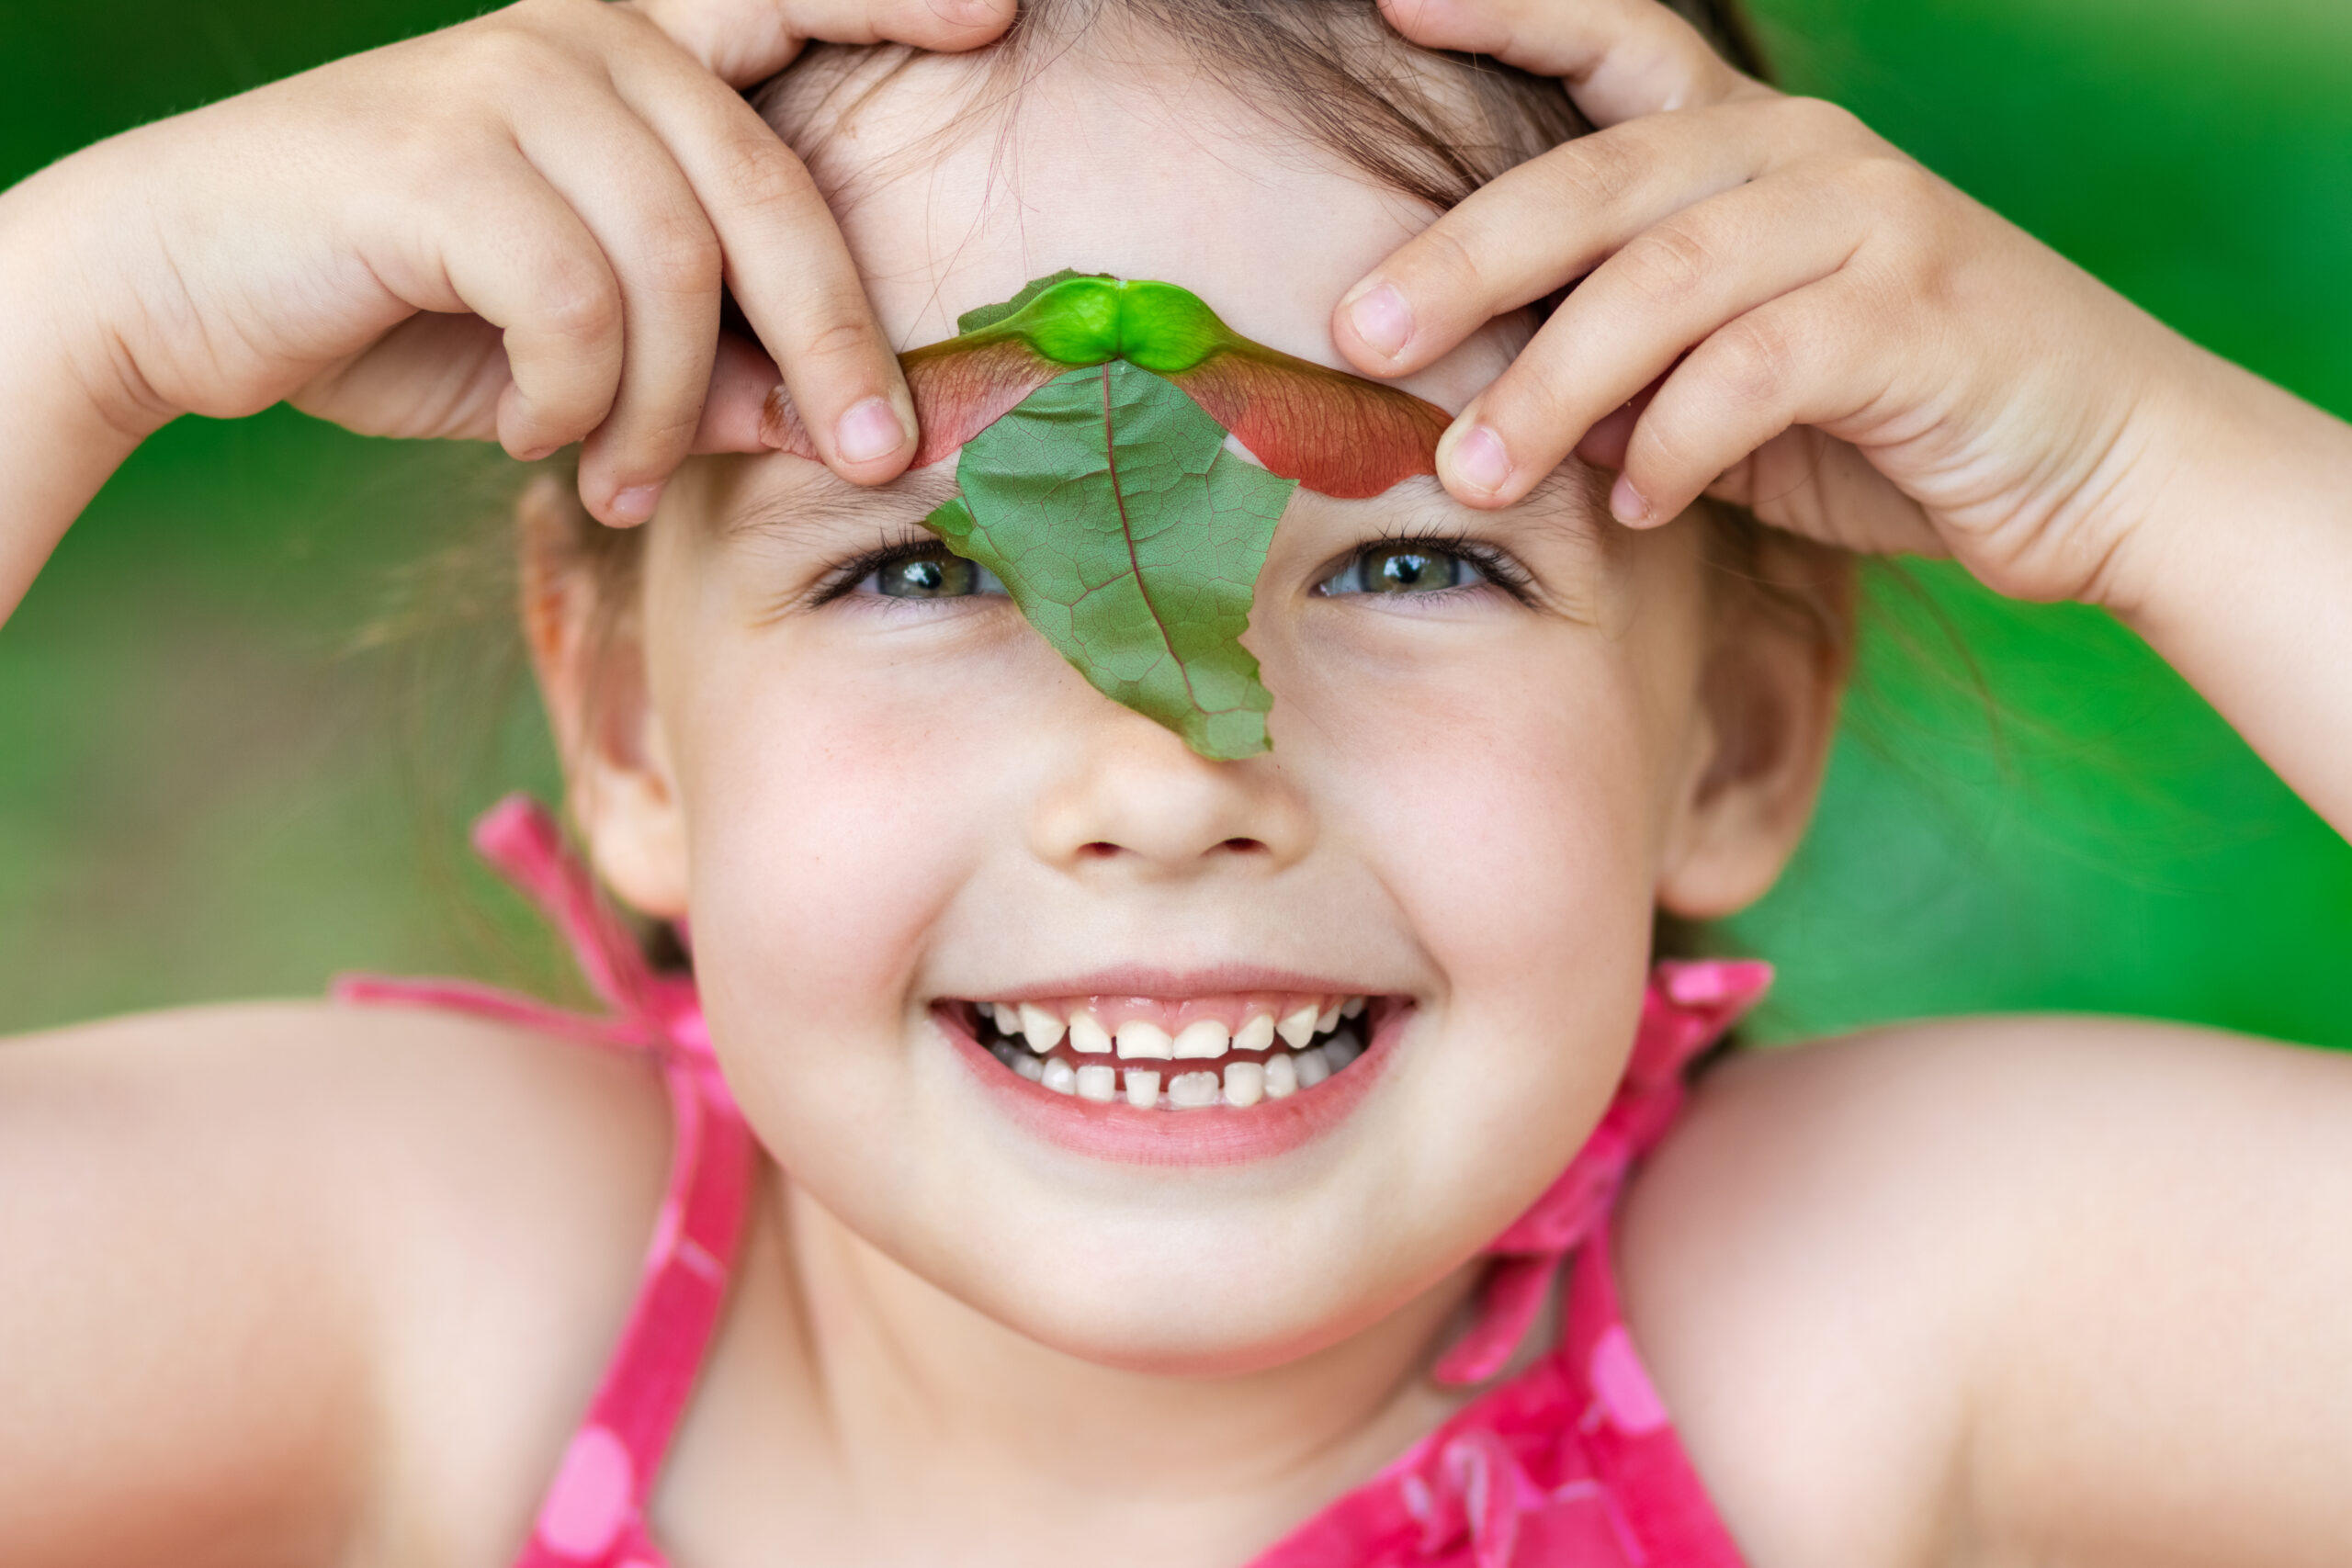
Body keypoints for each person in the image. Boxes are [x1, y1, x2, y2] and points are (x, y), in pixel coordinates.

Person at [4, 0, 2351, 1562]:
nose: (1167, 772)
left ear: (1730, 731)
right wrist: (73, 303)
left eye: (1419, 556)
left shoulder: (1857, 1298)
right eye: (923, 569)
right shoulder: (451, 1282)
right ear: (628, 732)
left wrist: (2153, 466)